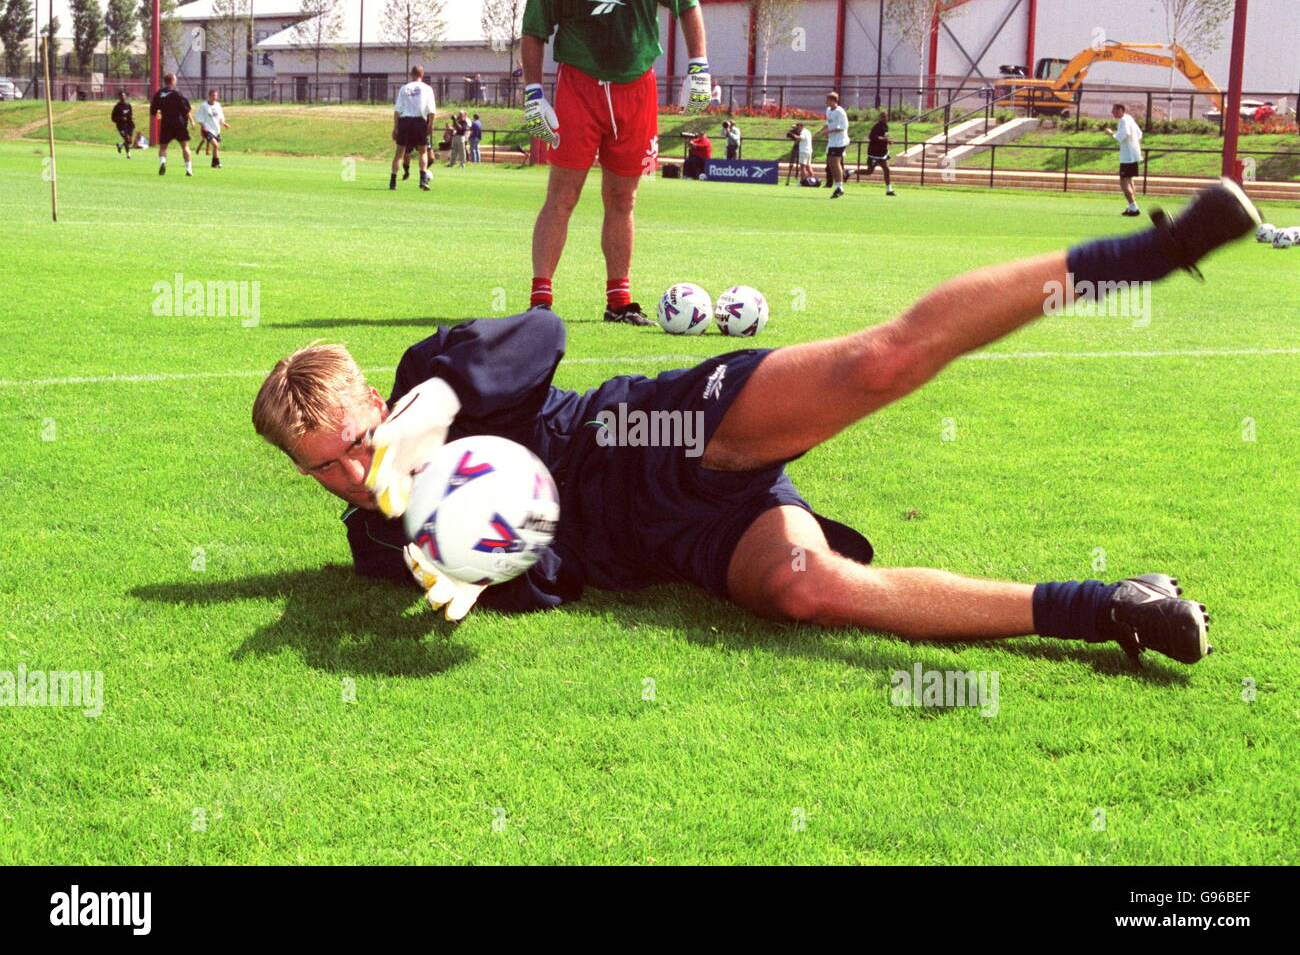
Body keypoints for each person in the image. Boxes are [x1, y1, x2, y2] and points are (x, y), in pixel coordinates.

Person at [251, 178, 1260, 664]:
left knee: (880, 359)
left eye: (354, 439)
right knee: (804, 587)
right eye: (325, 469)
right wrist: (474, 571)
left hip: (649, 429)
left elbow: (541, 332)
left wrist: (430, 419)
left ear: (376, 404)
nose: (352, 470)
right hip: (669, 540)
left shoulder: (436, 375)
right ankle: (1113, 604)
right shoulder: (380, 544)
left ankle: (1139, 255)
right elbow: (549, 581)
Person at [520, 0, 711, 325]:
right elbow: (533, 30)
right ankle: (541, 301)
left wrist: (699, 64)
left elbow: (687, 4)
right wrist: (533, 91)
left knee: (623, 198)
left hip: (636, 84)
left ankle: (618, 302)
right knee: (563, 195)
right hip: (579, 85)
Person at [390, 65, 436, 192]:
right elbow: (431, 110)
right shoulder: (427, 89)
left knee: (399, 154)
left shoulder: (404, 88)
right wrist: (430, 125)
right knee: (423, 152)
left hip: (404, 121)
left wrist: (396, 127)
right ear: (422, 74)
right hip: (419, 121)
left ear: (411, 74)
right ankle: (422, 179)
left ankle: (393, 182)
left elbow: (397, 111)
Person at [149, 73, 193, 177]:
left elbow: (153, 111)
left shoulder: (159, 94)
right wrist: (191, 121)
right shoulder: (177, 93)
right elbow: (186, 109)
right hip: (179, 123)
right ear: (173, 80)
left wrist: (156, 118)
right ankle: (189, 169)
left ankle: (163, 162)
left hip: (166, 124)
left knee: (163, 147)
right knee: (185, 146)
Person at [1105, 103, 1143, 217]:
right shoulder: (1129, 118)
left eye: (1115, 111)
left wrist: (1112, 134)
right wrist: (1135, 147)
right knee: (1129, 181)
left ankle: (1134, 207)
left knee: (1123, 182)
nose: (1113, 113)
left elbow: (1124, 134)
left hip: (1127, 157)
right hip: (1133, 155)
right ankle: (1131, 207)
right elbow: (1140, 134)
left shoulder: (1124, 121)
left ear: (1121, 110)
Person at [816, 91, 850, 199]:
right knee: (830, 163)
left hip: (840, 141)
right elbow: (828, 123)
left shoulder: (840, 112)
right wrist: (820, 131)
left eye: (827, 100)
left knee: (835, 162)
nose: (826, 102)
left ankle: (840, 187)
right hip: (832, 141)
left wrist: (827, 132)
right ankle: (837, 185)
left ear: (833, 100)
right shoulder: (828, 110)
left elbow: (842, 127)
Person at [194, 90, 230, 169]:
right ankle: (218, 162)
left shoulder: (218, 105)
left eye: (216, 96)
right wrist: (203, 125)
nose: (215, 97)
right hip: (207, 129)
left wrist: (224, 123)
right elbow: (198, 116)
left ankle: (213, 164)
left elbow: (220, 116)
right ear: (209, 96)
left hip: (216, 129)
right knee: (215, 145)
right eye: (213, 95)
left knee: (215, 147)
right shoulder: (204, 105)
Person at [863, 111, 895, 196]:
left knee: (887, 170)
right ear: (881, 118)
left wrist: (888, 141)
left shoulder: (886, 126)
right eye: (884, 117)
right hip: (874, 152)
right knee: (869, 172)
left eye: (887, 116)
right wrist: (884, 139)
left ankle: (889, 190)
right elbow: (871, 137)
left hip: (882, 153)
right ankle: (850, 172)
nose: (886, 118)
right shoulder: (877, 126)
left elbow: (885, 137)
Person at [110, 91, 135, 158]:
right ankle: (128, 155)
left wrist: (132, 117)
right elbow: (113, 118)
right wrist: (121, 119)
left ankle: (120, 145)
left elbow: (130, 114)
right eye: (121, 96)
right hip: (121, 126)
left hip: (129, 125)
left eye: (124, 95)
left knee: (130, 141)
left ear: (125, 96)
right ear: (119, 97)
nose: (123, 97)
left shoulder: (128, 105)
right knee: (126, 139)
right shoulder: (117, 107)